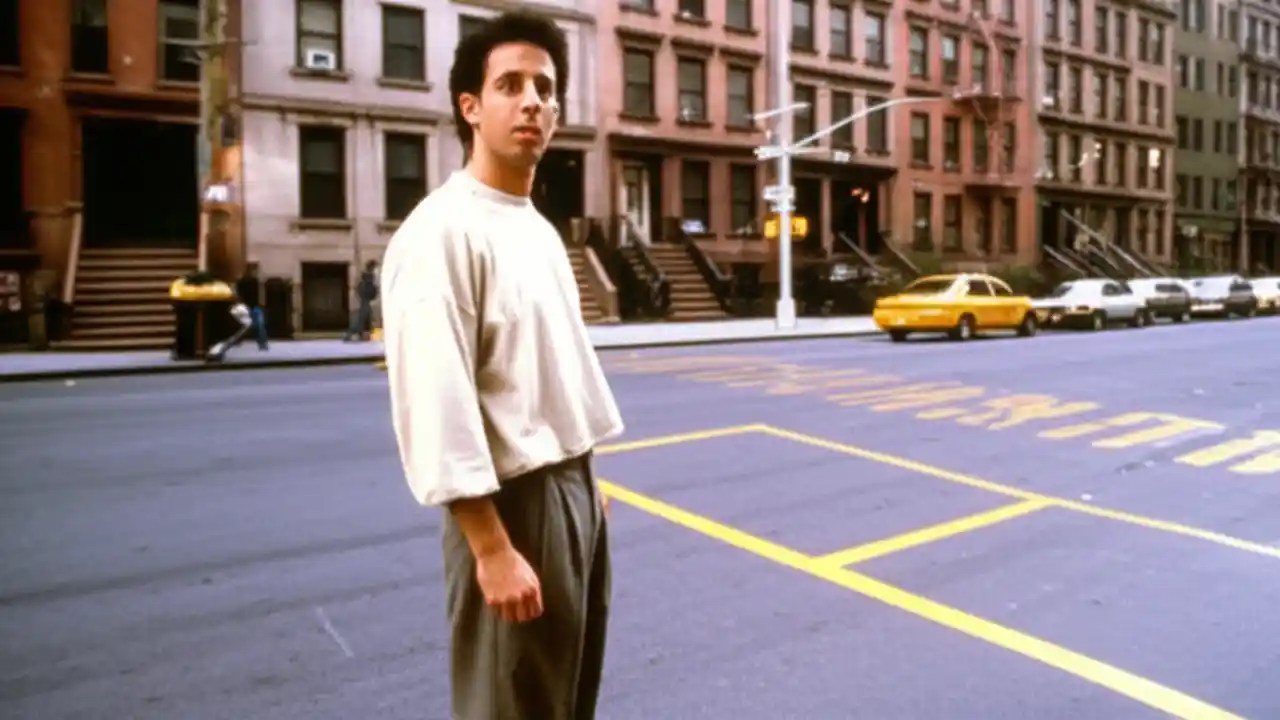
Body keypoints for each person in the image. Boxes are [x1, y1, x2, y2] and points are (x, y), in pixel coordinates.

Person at [379, 11, 624, 720]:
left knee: (567, 700)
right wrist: (490, 547)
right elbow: (437, 399)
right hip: (510, 507)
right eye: (510, 85)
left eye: (546, 88)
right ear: (470, 107)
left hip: (573, 490)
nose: (533, 102)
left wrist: (586, 485)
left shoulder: (537, 229)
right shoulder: (441, 232)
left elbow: (549, 374)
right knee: (509, 705)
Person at [343, 260, 379, 342]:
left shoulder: (368, 278)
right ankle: (353, 333)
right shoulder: (368, 279)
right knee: (362, 318)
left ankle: (359, 334)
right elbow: (366, 289)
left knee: (364, 318)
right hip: (366, 300)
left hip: (366, 300)